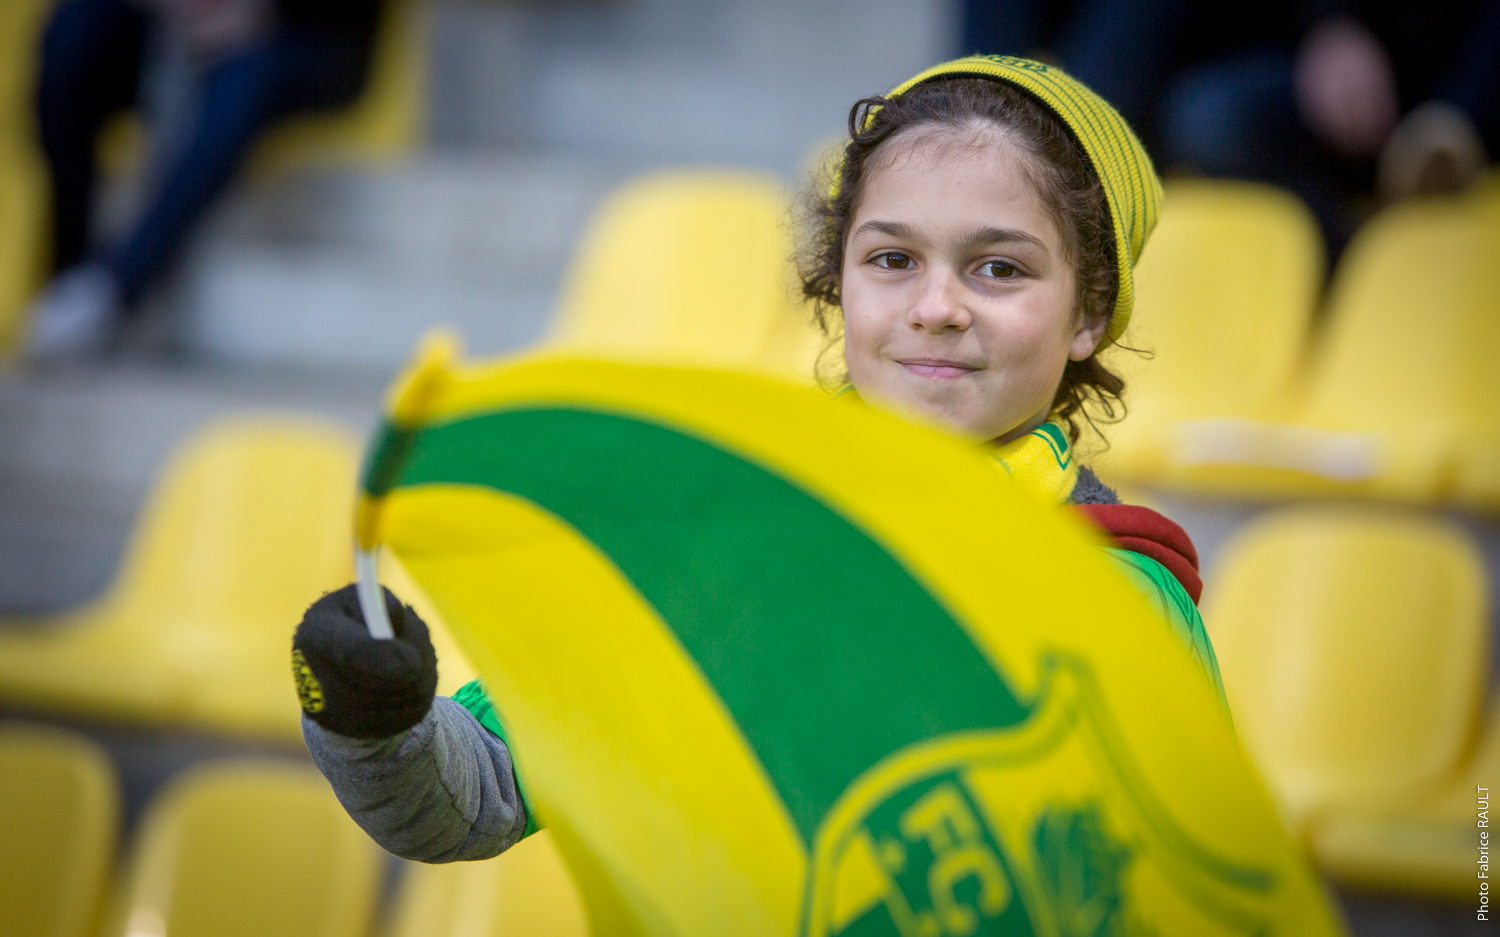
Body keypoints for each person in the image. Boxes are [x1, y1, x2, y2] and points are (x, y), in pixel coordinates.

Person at [290, 55, 1219, 865]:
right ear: (840, 280)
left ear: (1091, 311)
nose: (937, 306)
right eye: (892, 259)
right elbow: (484, 789)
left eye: (999, 268)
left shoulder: (1126, 600)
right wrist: (377, 719)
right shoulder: (723, 545)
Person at [959, 0, 1499, 260]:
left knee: (1209, 116)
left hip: (1397, 74)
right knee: (1207, 115)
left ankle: (1053, 161)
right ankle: (1026, 146)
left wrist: (1334, 24)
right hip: (1224, 81)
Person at [26, 0, 384, 359]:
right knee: (74, 33)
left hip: (307, 35)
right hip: (169, 27)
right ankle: (69, 275)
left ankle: (109, 289)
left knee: (243, 80)